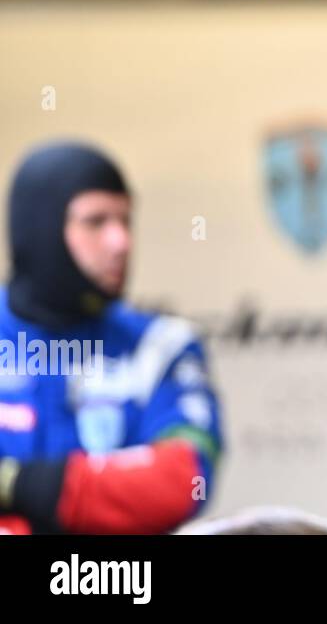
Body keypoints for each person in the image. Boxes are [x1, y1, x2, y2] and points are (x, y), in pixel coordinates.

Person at [0, 142, 222, 534]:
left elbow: (186, 478)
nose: (121, 243)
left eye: (126, 221)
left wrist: (28, 486)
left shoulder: (163, 345)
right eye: (96, 222)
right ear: (41, 226)